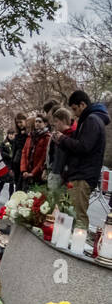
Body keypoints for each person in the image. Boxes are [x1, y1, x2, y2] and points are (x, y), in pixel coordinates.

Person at [52, 89, 109, 227]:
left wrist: (63, 138)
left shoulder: (92, 120)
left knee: (77, 215)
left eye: (75, 109)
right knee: (69, 213)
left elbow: (84, 147)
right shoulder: (90, 120)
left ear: (83, 105)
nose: (74, 114)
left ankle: (78, 242)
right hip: (79, 174)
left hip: (83, 176)